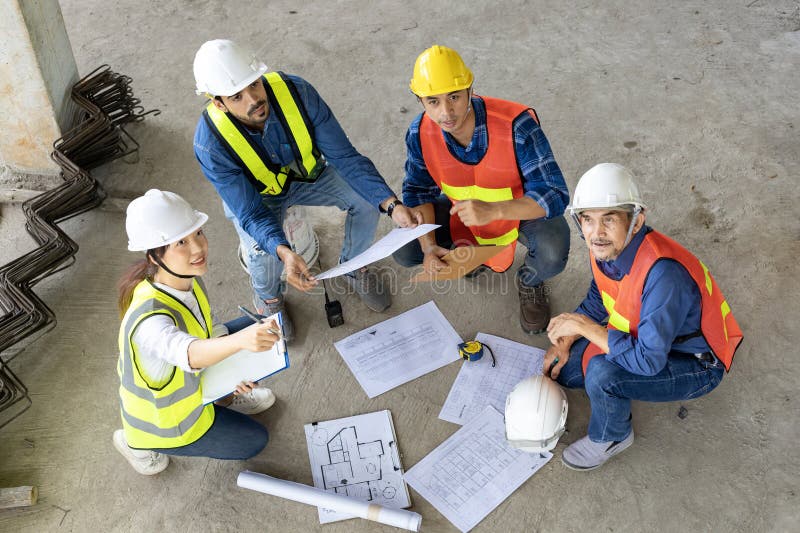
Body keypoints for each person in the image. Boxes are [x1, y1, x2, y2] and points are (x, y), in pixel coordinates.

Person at [192, 39, 421, 341]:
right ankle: (269, 298)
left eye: (254, 84)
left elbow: (346, 158)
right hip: (259, 198)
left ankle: (354, 267)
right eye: (237, 96)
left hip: (309, 175)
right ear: (218, 103)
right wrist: (284, 251)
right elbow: (249, 212)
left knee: (368, 201)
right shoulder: (210, 144)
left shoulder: (297, 93)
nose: (253, 99)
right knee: (262, 251)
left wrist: (392, 205)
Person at [544, 163, 743, 471]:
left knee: (601, 374)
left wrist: (583, 327)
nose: (596, 233)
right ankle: (603, 378)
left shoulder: (664, 276)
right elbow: (600, 300)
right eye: (587, 219)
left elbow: (649, 362)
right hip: (650, 335)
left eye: (609, 219)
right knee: (567, 371)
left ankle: (613, 435)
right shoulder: (605, 247)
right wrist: (568, 339)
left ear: (636, 222)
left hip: (696, 363)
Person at [392, 45, 571, 334]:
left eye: (454, 97)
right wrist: (429, 247)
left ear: (470, 90)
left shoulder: (516, 126)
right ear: (420, 100)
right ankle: (471, 253)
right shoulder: (419, 132)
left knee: (553, 251)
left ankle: (530, 281)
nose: (446, 112)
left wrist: (495, 210)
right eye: (432, 101)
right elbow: (417, 192)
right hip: (463, 213)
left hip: (518, 208)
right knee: (406, 247)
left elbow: (554, 193)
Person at [114, 189, 281, 475]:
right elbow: (187, 352)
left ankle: (224, 397)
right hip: (169, 422)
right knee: (254, 441)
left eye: (198, 233)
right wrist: (240, 343)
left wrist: (231, 377)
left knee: (258, 329)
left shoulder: (181, 278)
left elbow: (202, 332)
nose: (198, 248)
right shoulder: (148, 324)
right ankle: (136, 444)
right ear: (154, 255)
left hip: (194, 378)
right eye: (181, 242)